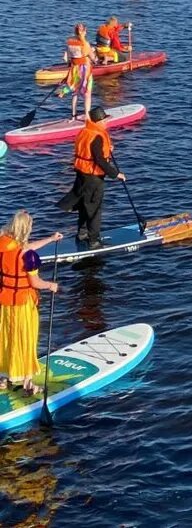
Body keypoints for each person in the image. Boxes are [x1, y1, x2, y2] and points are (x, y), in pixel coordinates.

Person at [0, 211, 62, 395]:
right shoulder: (29, 257)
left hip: (4, 301)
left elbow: (23, 247)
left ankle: (5, 376)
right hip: (23, 304)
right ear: (27, 228)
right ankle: (27, 383)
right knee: (25, 339)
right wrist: (50, 285)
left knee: (6, 338)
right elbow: (35, 283)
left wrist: (51, 239)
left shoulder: (3, 244)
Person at [56, 106, 126, 249]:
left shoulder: (85, 131)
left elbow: (89, 150)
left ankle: (82, 234)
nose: (106, 122)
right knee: (94, 207)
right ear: (99, 121)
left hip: (82, 173)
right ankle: (94, 241)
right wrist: (115, 174)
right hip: (93, 177)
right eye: (105, 119)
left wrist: (107, 149)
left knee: (84, 204)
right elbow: (99, 160)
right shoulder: (98, 136)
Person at [56, 23, 96, 120]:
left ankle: (73, 115)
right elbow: (93, 58)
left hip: (75, 68)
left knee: (75, 92)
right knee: (87, 93)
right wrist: (93, 53)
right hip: (85, 70)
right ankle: (87, 116)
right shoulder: (85, 44)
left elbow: (68, 58)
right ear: (84, 32)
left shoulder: (70, 42)